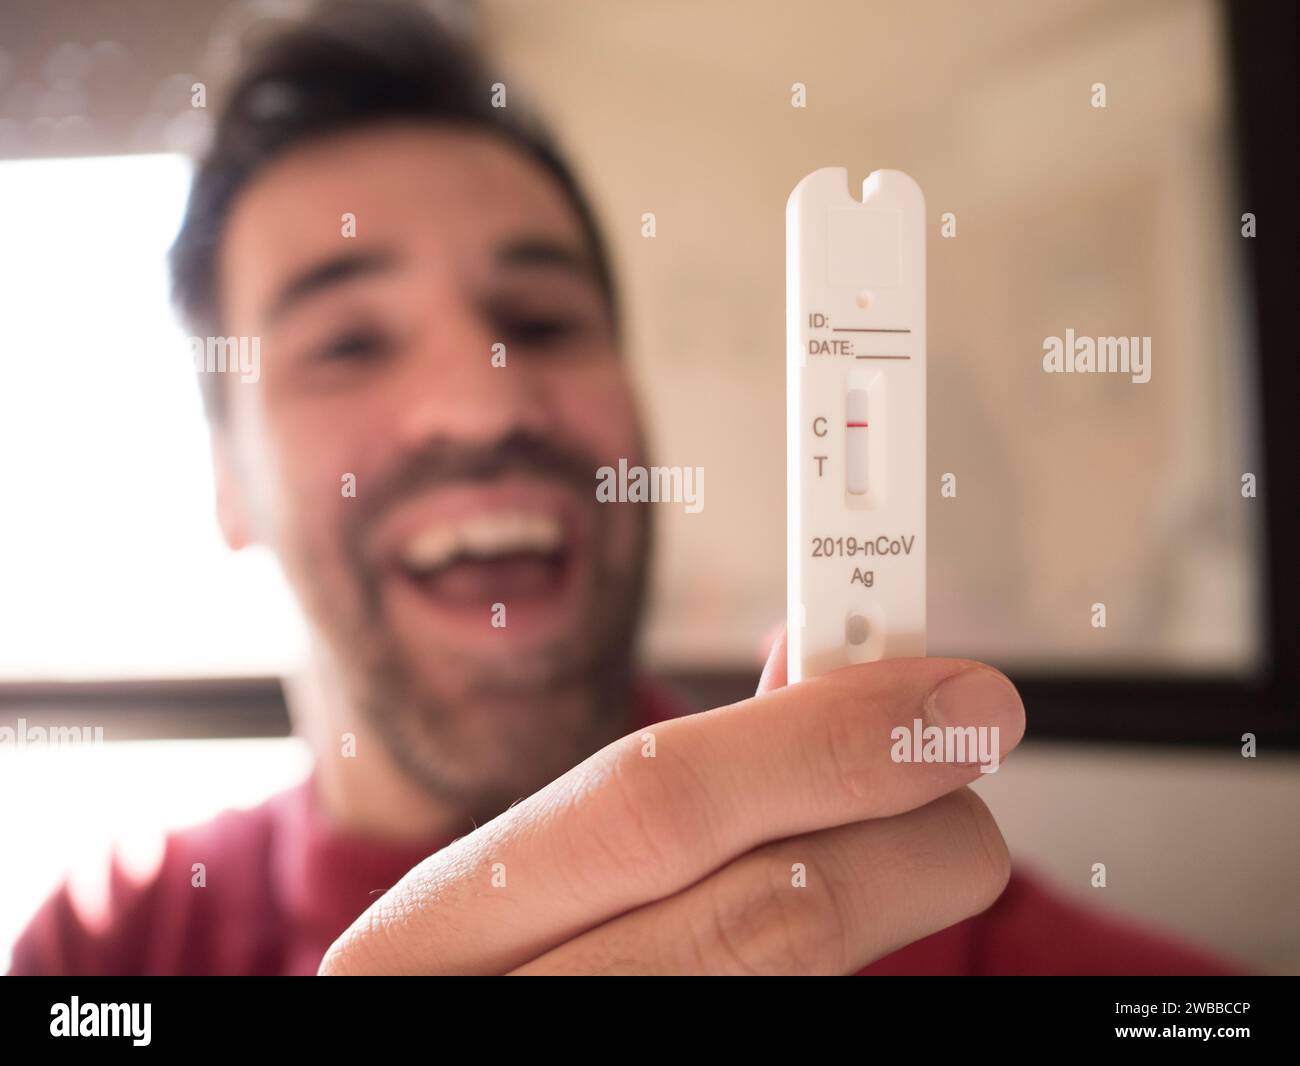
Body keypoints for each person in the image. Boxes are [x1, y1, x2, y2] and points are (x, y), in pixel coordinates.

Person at [10, 0, 1243, 976]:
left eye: (540, 320)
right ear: (227, 483)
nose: (485, 402)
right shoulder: (104, 949)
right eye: (348, 344)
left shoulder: (974, 938)